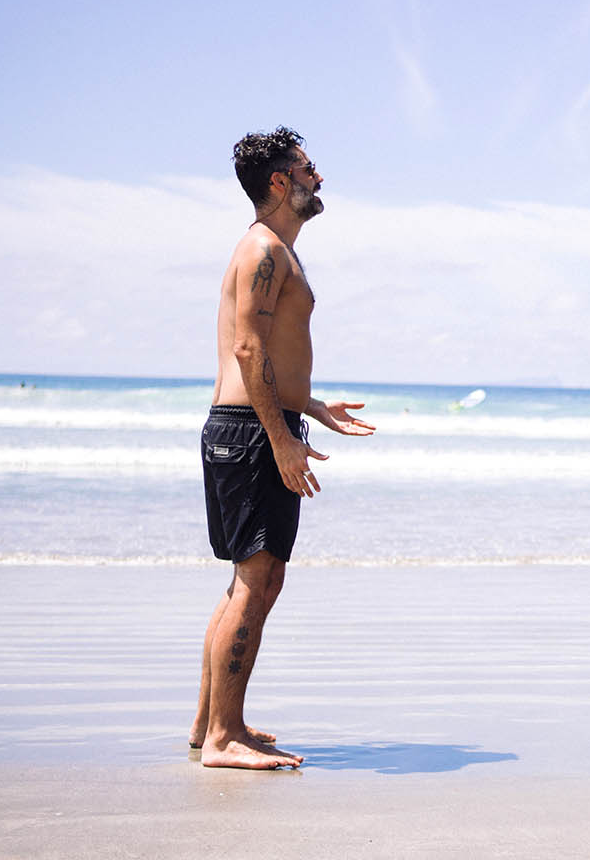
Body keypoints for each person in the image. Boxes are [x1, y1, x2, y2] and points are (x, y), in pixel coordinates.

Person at [189, 127, 376, 769]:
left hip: (252, 426)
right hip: (250, 434)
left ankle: (213, 724)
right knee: (258, 575)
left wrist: (311, 408)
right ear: (280, 181)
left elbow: (268, 355)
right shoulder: (264, 250)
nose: (317, 178)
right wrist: (279, 438)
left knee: (254, 577)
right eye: (307, 168)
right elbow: (248, 349)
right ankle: (222, 740)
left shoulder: (275, 251)